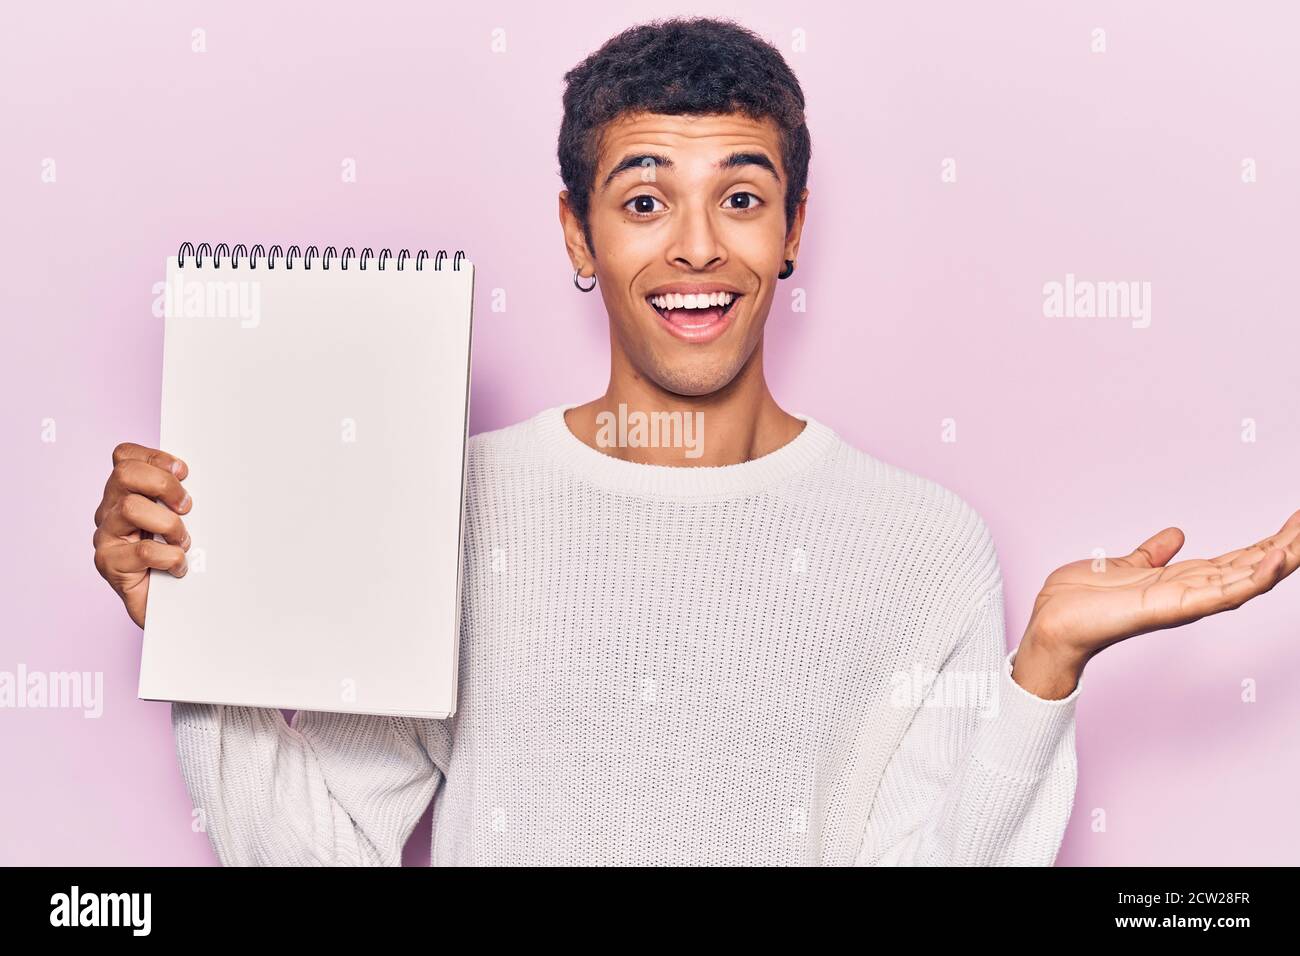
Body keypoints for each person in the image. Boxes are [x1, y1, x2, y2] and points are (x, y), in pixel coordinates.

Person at [92, 17, 1298, 866]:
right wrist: (201, 633)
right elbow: (312, 854)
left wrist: (1040, 671)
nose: (697, 247)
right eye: (642, 199)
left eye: (740, 196)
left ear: (792, 228)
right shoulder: (448, 507)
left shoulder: (923, 544)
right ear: (577, 233)